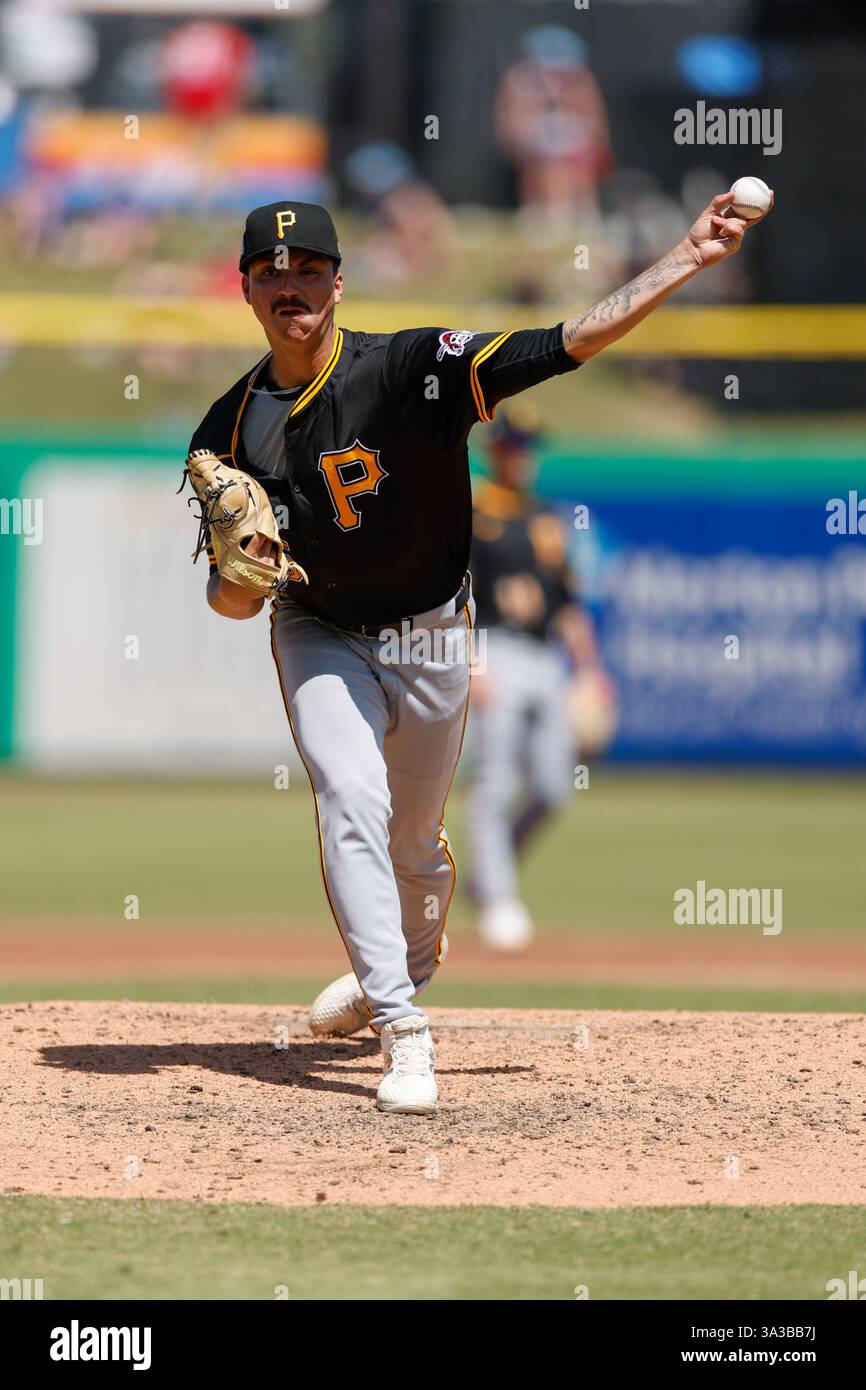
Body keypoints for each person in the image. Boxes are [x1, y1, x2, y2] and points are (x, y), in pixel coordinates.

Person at [188, 189, 771, 1116]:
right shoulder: (228, 429)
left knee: (414, 838)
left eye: (307, 269)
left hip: (430, 630)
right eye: (271, 272)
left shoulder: (414, 366)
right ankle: (402, 1026)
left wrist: (688, 258)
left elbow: (564, 341)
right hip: (318, 628)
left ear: (338, 283)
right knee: (351, 799)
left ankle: (407, 965)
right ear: (247, 291)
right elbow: (226, 604)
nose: (290, 284)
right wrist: (243, 572)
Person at [467, 399, 607, 950]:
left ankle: (488, 877)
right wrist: (470, 663)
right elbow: (458, 598)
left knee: (553, 787)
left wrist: (591, 668)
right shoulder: (474, 514)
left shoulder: (549, 517)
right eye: (513, 446)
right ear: (494, 450)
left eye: (528, 448)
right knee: (495, 780)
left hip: (547, 658)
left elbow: (569, 603)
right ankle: (499, 898)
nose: (522, 457)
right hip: (493, 648)